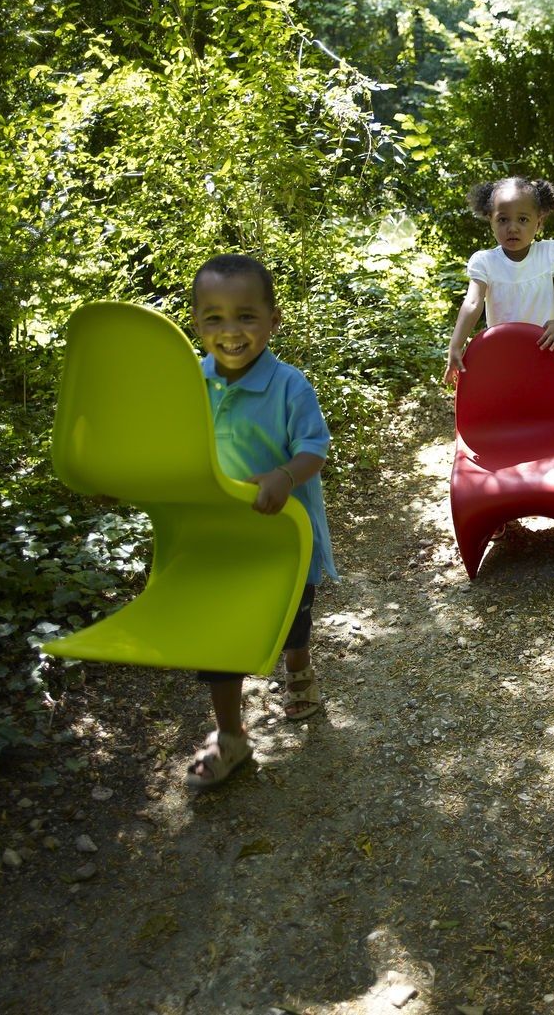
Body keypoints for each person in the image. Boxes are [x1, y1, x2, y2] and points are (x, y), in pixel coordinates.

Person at [185, 253, 338, 788]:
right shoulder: (188, 382)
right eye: (214, 317)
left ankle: (298, 671)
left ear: (273, 320)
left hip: (284, 541)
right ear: (197, 322)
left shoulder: (290, 385)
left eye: (247, 316)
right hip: (223, 541)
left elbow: (314, 449)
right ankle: (230, 737)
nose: (231, 331)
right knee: (219, 637)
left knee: (290, 624)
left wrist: (284, 475)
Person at [443, 176, 554, 518]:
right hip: (508, 365)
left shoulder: (550, 254)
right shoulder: (485, 262)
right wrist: (455, 345)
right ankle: (501, 502)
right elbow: (473, 304)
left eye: (522, 219)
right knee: (511, 425)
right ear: (490, 220)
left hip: (550, 353)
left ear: (539, 221)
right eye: (503, 219)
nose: (512, 227)